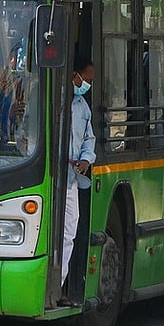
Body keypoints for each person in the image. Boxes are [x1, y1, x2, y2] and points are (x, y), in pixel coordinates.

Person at [60, 57, 96, 304]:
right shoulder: (52, 101)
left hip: (72, 179)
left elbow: (88, 139)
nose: (87, 85)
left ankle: (59, 287)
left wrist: (85, 159)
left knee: (68, 234)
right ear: (75, 75)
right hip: (49, 178)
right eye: (86, 79)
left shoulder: (82, 106)